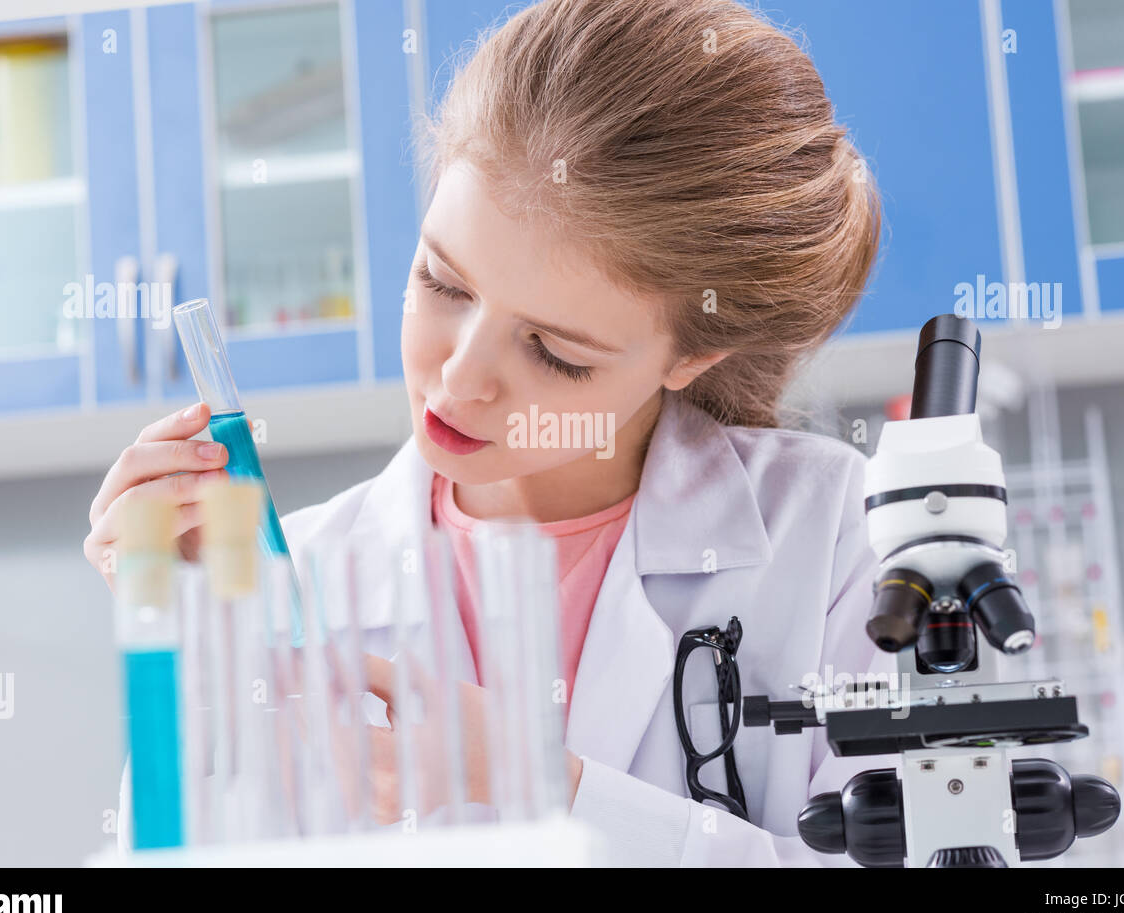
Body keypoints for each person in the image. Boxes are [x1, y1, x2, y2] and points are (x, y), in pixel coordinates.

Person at [86, 0, 892, 865]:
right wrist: (196, 648)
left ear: (692, 353)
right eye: (442, 283)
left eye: (552, 350)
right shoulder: (299, 573)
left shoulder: (837, 534)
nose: (460, 376)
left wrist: (541, 779)